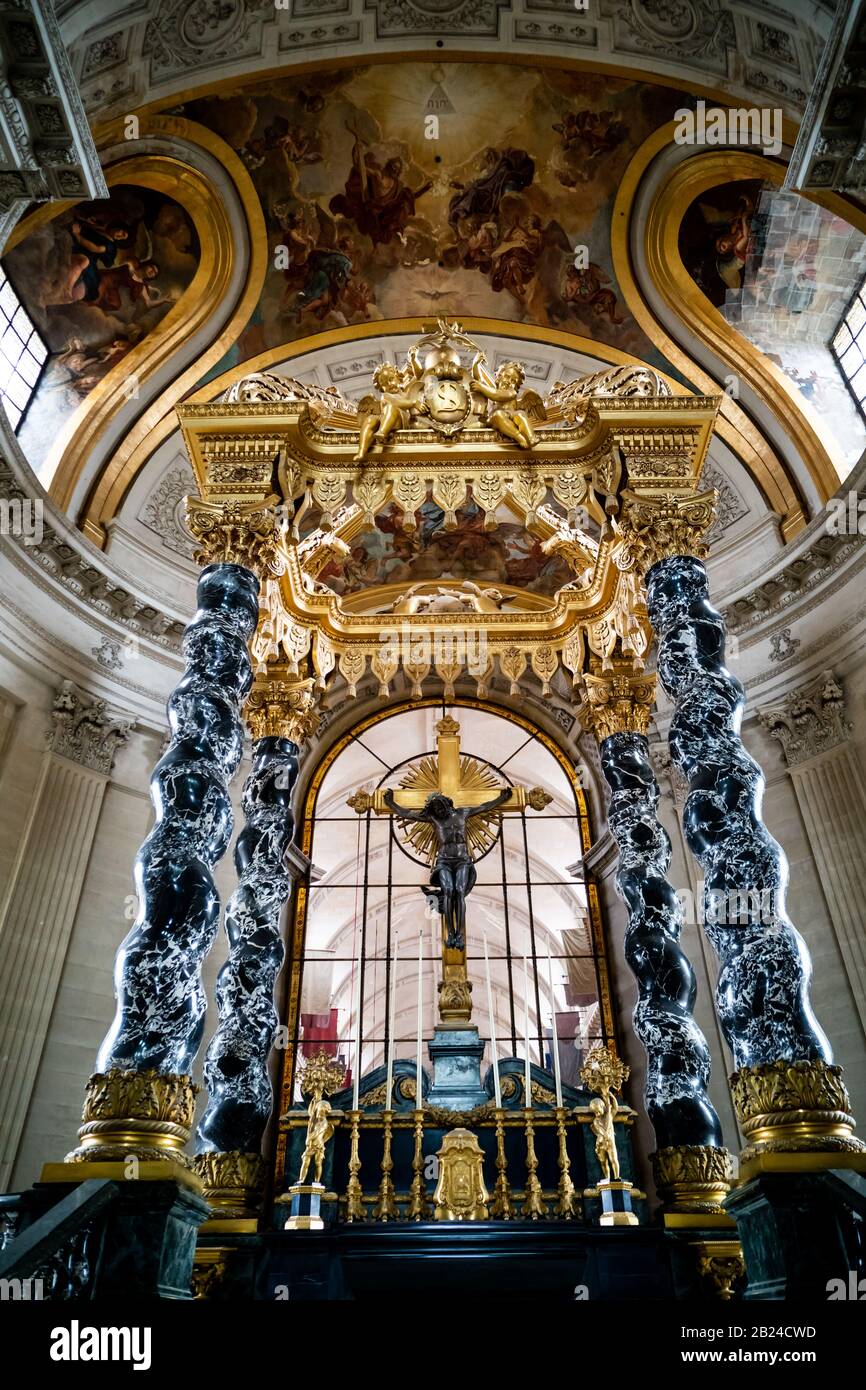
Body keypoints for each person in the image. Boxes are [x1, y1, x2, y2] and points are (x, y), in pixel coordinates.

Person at [384, 787, 510, 950]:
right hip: (444, 860)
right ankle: (451, 933)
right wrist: (390, 802)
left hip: (462, 860)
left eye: (439, 807)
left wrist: (501, 799)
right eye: (434, 809)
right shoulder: (434, 818)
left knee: (459, 890)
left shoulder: (462, 813)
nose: (438, 811)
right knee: (449, 890)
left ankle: (460, 934)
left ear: (445, 804)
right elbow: (407, 814)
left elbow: (484, 807)